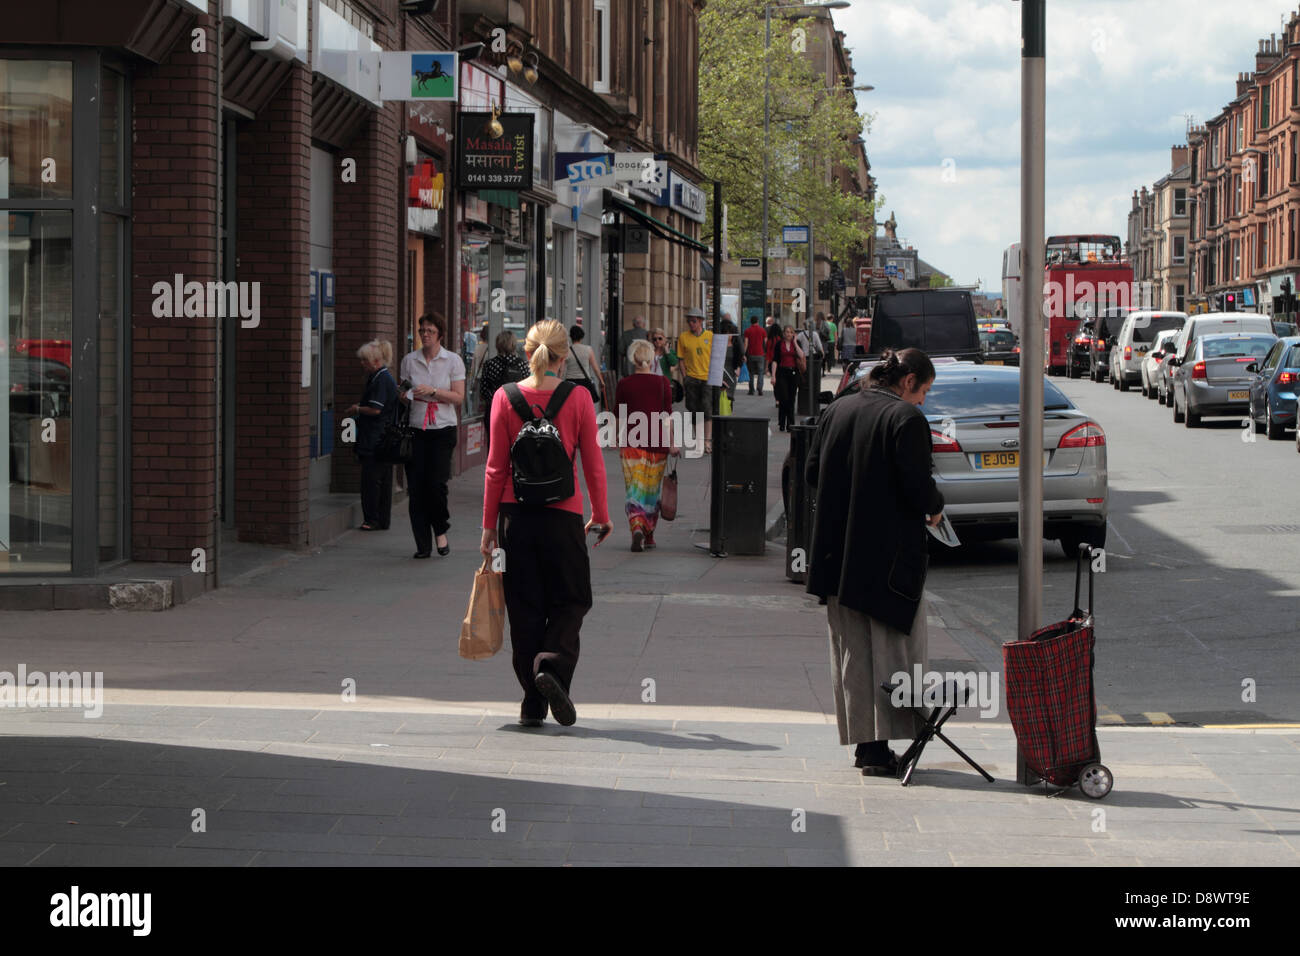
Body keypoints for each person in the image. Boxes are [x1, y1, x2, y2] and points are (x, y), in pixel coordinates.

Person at [805, 348, 943, 775]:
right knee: (893, 654)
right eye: (924, 392)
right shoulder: (906, 420)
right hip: (888, 561)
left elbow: (811, 473)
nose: (923, 401)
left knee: (852, 654)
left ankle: (869, 748)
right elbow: (920, 490)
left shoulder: (839, 409)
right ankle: (885, 745)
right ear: (908, 383)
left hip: (838, 557)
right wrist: (936, 508)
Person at [481, 319, 612, 728]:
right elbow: (593, 463)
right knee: (572, 599)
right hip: (564, 515)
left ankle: (531, 703)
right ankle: (552, 669)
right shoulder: (578, 398)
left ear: (526, 353)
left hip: (515, 518)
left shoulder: (504, 397)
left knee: (524, 606)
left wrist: (488, 527)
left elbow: (494, 468)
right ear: (563, 356)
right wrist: (602, 515)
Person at [400, 312, 465, 559]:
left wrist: (434, 391)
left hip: (442, 429)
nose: (425, 335)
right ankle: (422, 544)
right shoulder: (410, 360)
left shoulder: (453, 361)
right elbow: (403, 389)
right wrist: (404, 394)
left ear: (440, 335)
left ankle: (440, 529)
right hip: (416, 429)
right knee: (416, 488)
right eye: (422, 331)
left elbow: (458, 398)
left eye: (430, 331)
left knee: (436, 485)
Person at [614, 339, 679, 552]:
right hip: (658, 444)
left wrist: (616, 438)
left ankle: (636, 529)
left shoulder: (624, 384)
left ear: (633, 359)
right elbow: (666, 418)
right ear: (652, 360)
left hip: (632, 443)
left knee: (635, 489)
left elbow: (619, 417)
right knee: (652, 490)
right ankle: (649, 534)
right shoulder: (662, 384)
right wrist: (672, 443)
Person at [344, 339, 397, 532]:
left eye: (365, 361)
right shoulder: (381, 377)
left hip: (376, 438)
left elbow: (375, 409)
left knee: (371, 480)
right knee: (382, 480)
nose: (362, 364)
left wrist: (357, 408)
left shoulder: (381, 380)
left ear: (375, 361)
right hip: (381, 437)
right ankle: (381, 519)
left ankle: (372, 519)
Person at [478, 330, 530, 458]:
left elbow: (484, 390)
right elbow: (528, 390)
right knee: (517, 445)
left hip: (495, 411)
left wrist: (494, 400)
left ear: (498, 344)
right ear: (513, 344)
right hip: (518, 411)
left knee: (495, 446)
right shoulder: (522, 365)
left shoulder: (490, 364)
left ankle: (496, 474)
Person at [676, 307, 714, 452]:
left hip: (707, 378)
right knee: (694, 411)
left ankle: (707, 442)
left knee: (707, 410)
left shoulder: (710, 336)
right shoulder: (683, 337)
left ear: (701, 321)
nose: (691, 324)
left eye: (694, 321)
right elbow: (681, 359)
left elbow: (715, 358)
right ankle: (698, 440)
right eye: (689, 321)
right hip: (691, 378)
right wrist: (685, 377)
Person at [769, 325, 804, 432]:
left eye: (790, 332)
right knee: (784, 398)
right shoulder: (779, 344)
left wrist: (795, 343)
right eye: (786, 332)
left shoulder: (796, 344)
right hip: (782, 373)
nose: (788, 334)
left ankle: (790, 424)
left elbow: (802, 355)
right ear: (783, 333)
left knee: (791, 399)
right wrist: (773, 376)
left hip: (793, 373)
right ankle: (782, 421)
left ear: (793, 334)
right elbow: (775, 360)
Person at [566, 324, 606, 407]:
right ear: (582, 337)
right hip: (584, 382)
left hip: (570, 382)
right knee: (584, 405)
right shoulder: (588, 349)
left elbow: (561, 369)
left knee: (572, 405)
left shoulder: (567, 351)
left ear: (571, 337)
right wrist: (601, 381)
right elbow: (595, 368)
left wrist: (558, 381)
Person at [743, 316, 768, 395]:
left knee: (751, 372)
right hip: (760, 354)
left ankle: (751, 390)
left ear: (751, 322)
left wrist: (743, 353)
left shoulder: (747, 331)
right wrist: (764, 351)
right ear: (757, 321)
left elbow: (746, 343)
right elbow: (765, 342)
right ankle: (760, 388)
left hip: (751, 354)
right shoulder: (762, 330)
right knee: (761, 372)